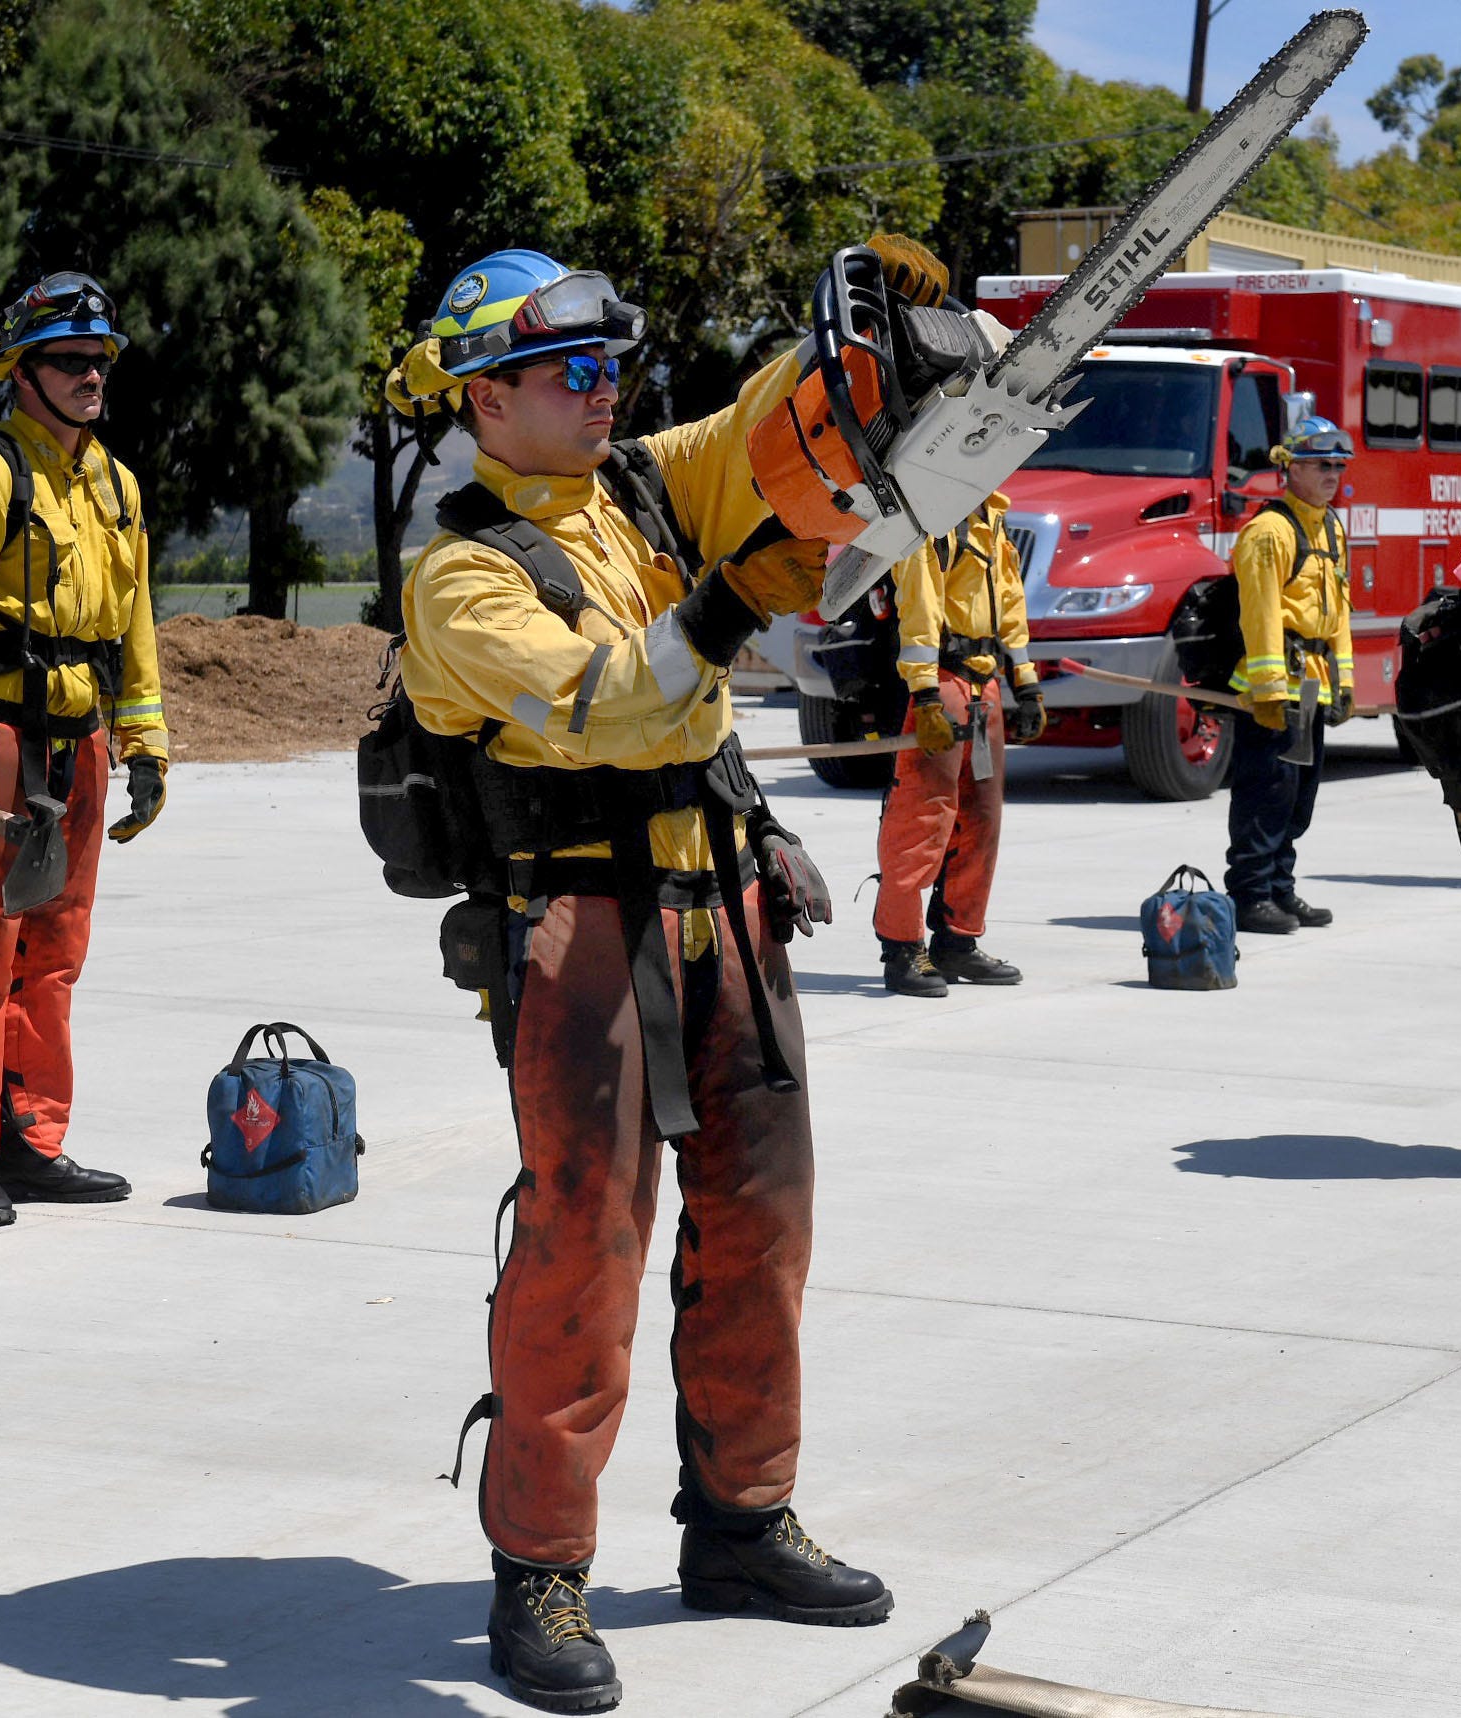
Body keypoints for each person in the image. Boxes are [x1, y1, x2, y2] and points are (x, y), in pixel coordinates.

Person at [386, 248, 891, 1714]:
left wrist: (877, 352)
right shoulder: (462, 575)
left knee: (764, 1223)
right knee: (582, 1248)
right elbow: (606, 708)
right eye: (572, 370)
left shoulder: (644, 488)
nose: (605, 390)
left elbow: (764, 428)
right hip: (581, 922)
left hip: (720, 893)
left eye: (612, 366)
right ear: (487, 398)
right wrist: (727, 609)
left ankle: (741, 1520)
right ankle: (540, 1566)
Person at [0, 271, 163, 1227]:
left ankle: (31, 1142)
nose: (92, 375)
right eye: (70, 360)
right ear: (21, 371)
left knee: (54, 952)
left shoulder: (115, 484)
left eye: (101, 359)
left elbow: (134, 624)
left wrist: (146, 744)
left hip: (80, 745)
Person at [873, 492, 1042, 997]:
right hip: (940, 682)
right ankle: (902, 949)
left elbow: (1009, 600)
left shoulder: (992, 516)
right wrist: (926, 695)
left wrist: (1026, 683)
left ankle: (957, 941)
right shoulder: (932, 514)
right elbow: (919, 606)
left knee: (981, 820)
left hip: (983, 686)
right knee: (921, 820)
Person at [1224, 415, 1356, 934]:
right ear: (1292, 468)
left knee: (1298, 797)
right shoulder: (1268, 532)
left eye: (1338, 465)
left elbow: (1339, 612)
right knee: (1266, 794)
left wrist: (1345, 683)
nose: (1332, 474)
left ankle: (1280, 888)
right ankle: (1250, 894)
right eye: (1321, 465)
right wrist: (1270, 693)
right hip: (1275, 694)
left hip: (1312, 690)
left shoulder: (1331, 526)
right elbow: (1259, 616)